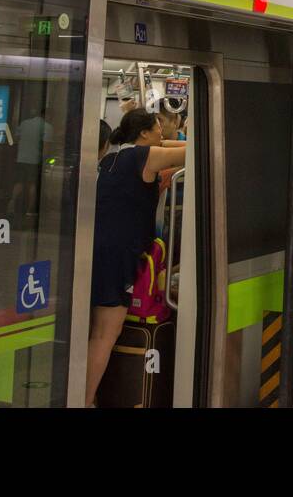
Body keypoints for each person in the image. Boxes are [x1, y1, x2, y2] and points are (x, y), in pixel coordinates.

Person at [85, 110, 187, 406]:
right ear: (144, 134)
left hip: (96, 249)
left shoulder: (111, 159)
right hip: (119, 255)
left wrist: (165, 144)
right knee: (106, 333)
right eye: (158, 129)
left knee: (92, 329)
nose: (162, 134)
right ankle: (85, 400)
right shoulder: (143, 158)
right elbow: (198, 151)